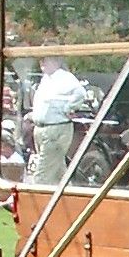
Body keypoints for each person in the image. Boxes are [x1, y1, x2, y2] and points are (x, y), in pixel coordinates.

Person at [30, 56, 88, 184]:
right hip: (41, 128)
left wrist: (68, 108)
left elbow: (80, 93)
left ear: (56, 61)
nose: (42, 62)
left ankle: (38, 200)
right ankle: (70, 198)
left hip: (56, 129)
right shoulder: (45, 79)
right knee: (57, 172)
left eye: (46, 59)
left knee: (42, 174)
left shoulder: (65, 78)